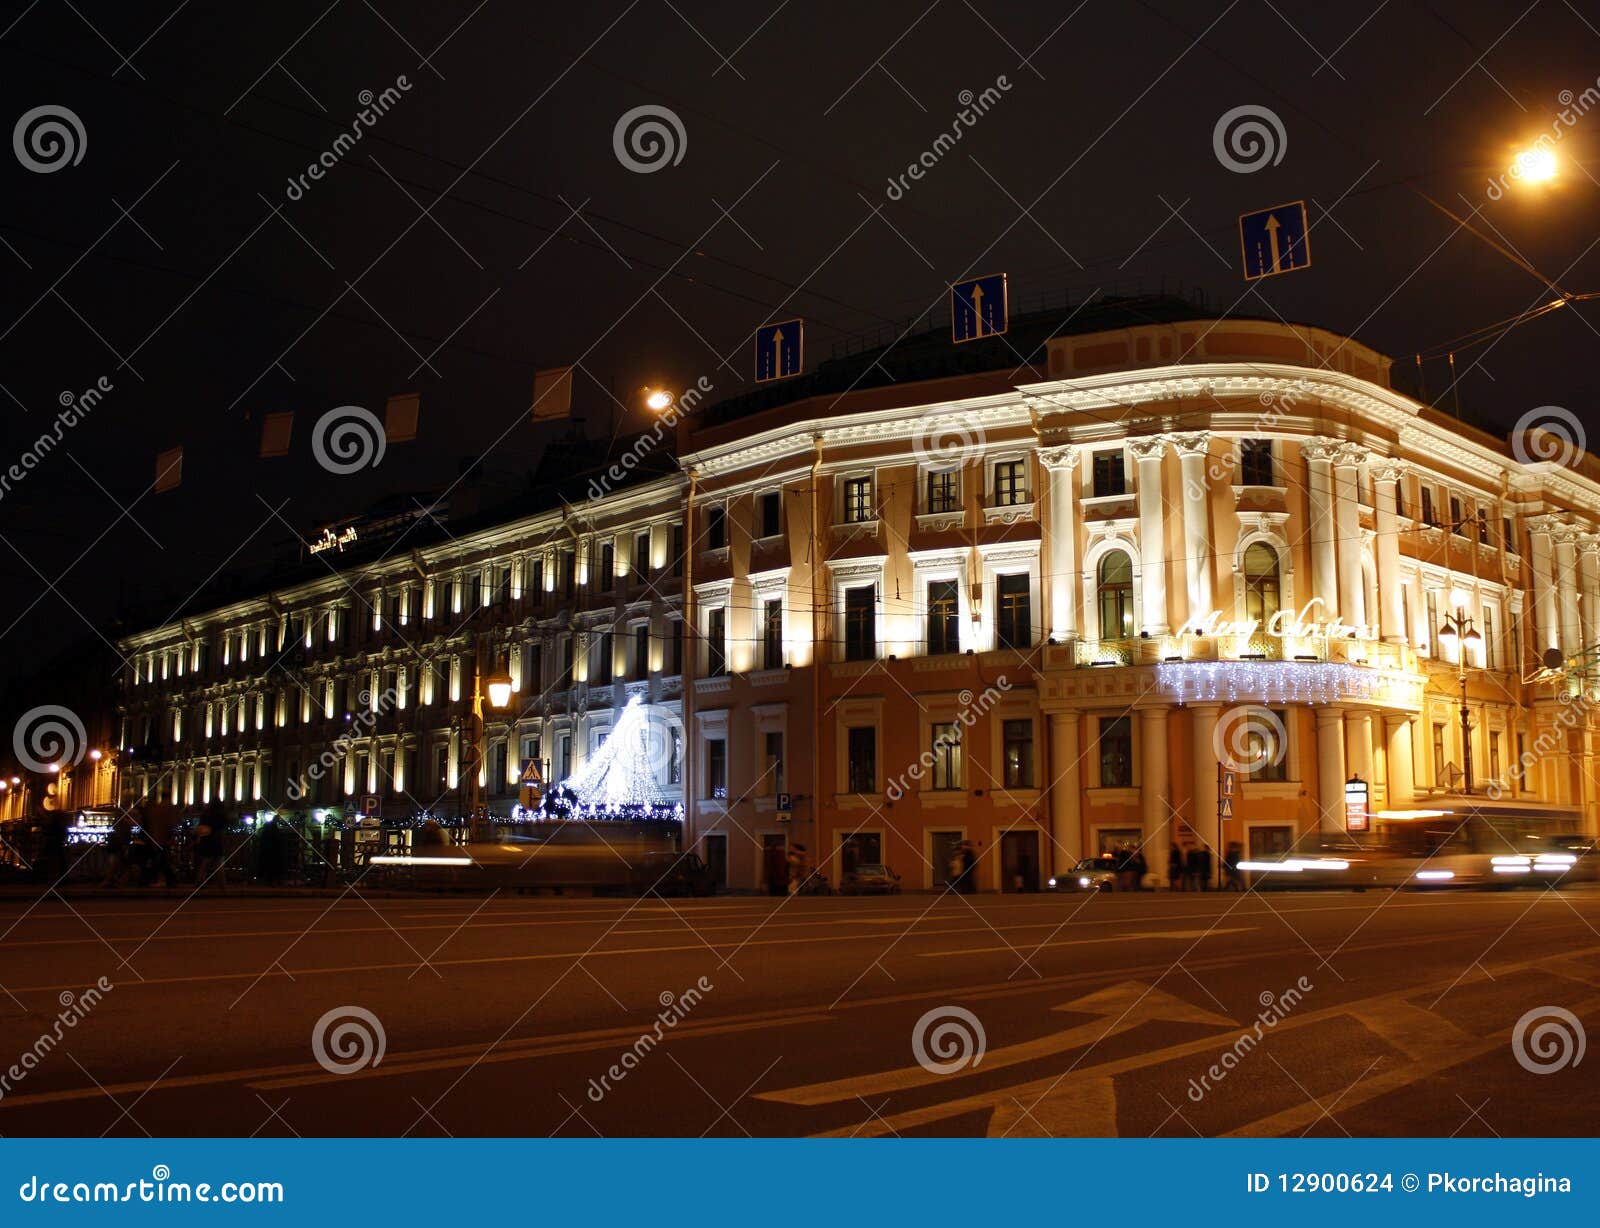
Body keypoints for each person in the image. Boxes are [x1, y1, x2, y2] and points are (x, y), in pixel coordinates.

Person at [194, 800, 226, 890]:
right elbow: (222, 830)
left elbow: (201, 827)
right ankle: (221, 884)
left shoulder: (206, 815)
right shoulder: (220, 816)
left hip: (206, 841)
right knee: (218, 863)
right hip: (216, 842)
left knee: (206, 862)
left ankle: (199, 881)